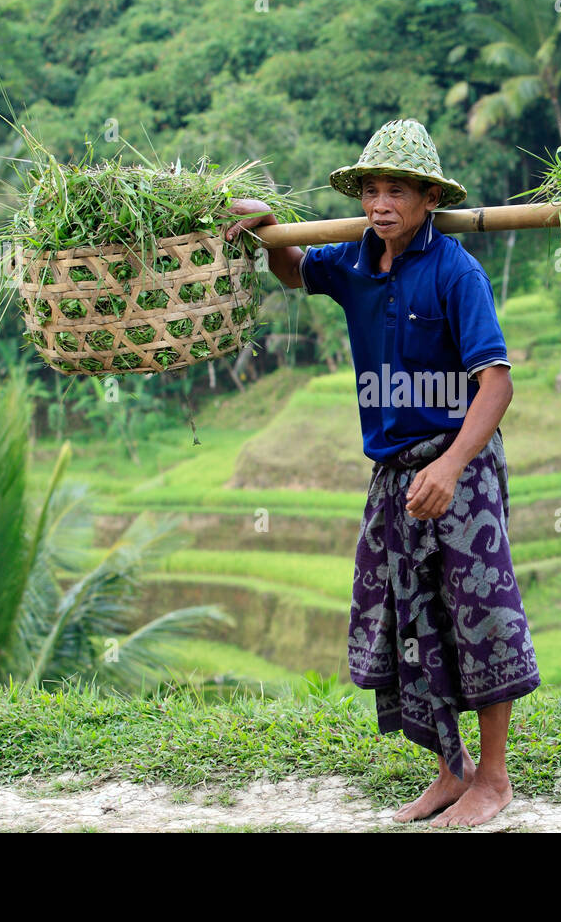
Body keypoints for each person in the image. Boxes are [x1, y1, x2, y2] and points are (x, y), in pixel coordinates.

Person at [224, 118, 541, 828]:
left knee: (480, 616)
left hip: (462, 470)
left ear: (428, 197)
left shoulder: (457, 270)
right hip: (393, 474)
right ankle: (451, 771)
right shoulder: (354, 261)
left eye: (395, 189)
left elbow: (496, 384)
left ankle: (494, 777)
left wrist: (454, 465)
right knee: (415, 618)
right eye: (370, 190)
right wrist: (271, 230)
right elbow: (294, 271)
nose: (379, 204)